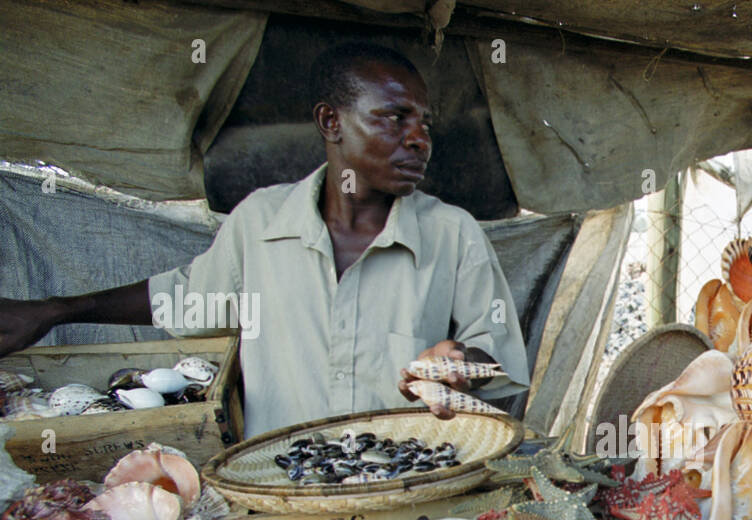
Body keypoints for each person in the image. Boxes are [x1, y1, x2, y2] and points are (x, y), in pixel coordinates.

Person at [0, 42, 529, 434]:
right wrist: (55, 310)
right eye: (395, 118)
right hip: (279, 494)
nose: (419, 140)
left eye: (425, 124)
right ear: (331, 121)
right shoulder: (259, 224)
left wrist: (459, 365)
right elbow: (184, 298)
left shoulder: (451, 234)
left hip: (411, 490)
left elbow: (499, 361)